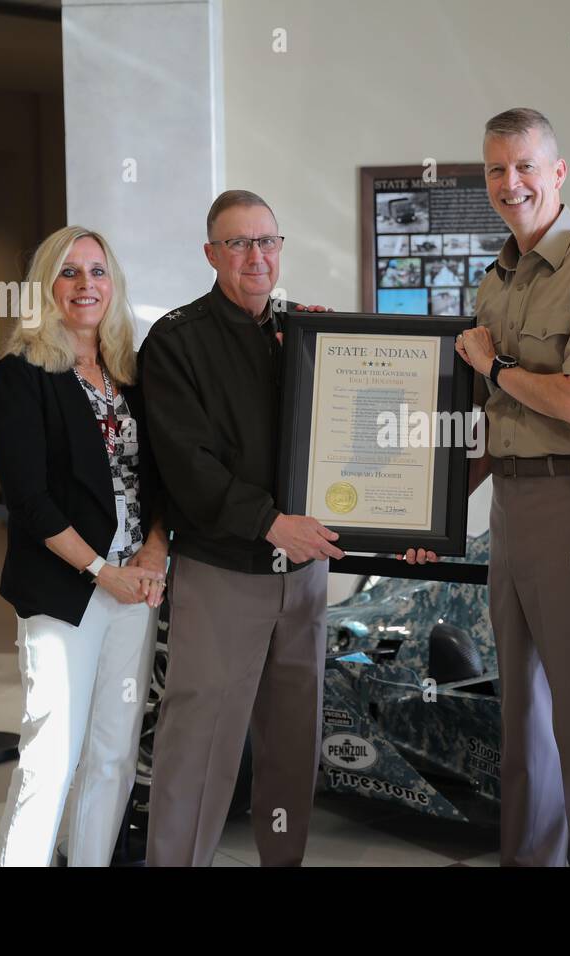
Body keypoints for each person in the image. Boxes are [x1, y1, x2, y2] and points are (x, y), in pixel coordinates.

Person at [432, 107, 570, 866]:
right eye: (495, 169)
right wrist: (427, 515)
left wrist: (496, 367)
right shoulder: (497, 278)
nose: (509, 182)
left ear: (557, 172)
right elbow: (497, 423)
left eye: (524, 166)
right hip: (510, 507)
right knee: (521, 720)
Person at [141, 189, 337, 867]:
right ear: (210, 254)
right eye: (238, 244)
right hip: (223, 573)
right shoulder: (175, 341)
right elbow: (186, 466)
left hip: (304, 578)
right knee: (199, 748)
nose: (256, 256)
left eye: (267, 242)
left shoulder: (303, 334)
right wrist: (270, 523)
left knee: (291, 745)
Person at [0, 226, 169, 867]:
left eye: (97, 271)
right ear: (47, 287)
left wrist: (153, 553)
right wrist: (102, 570)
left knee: (115, 750)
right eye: (69, 273)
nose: (85, 285)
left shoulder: (130, 373)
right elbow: (31, 501)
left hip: (135, 587)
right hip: (66, 589)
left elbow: (158, 479)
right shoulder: (22, 375)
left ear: (112, 284)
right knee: (51, 754)